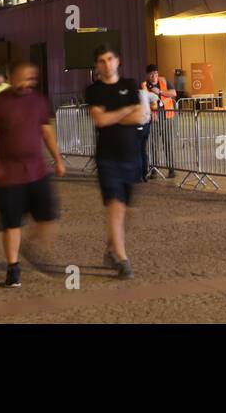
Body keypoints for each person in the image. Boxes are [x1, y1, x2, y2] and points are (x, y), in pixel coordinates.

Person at [0, 61, 65, 288]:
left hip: (37, 172)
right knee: (11, 224)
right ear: (12, 78)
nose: (27, 83)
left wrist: (58, 159)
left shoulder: (39, 101)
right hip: (8, 177)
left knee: (48, 219)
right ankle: (13, 268)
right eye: (23, 78)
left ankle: (29, 245)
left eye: (31, 78)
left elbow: (46, 131)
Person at [85, 45, 148, 279]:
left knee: (125, 211)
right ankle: (123, 259)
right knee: (116, 206)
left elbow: (140, 116)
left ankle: (111, 249)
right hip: (107, 158)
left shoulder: (130, 85)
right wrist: (125, 111)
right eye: (101, 60)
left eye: (110, 59)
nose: (106, 64)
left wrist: (115, 115)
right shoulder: (93, 91)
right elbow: (100, 121)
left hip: (131, 156)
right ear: (96, 65)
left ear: (118, 61)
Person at [137, 65, 169, 181]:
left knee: (168, 143)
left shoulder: (163, 82)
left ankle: (171, 169)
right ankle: (153, 170)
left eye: (156, 73)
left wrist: (160, 92)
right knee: (152, 145)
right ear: (147, 75)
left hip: (166, 117)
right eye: (151, 74)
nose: (154, 76)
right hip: (151, 120)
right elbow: (148, 100)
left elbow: (173, 93)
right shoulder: (144, 86)